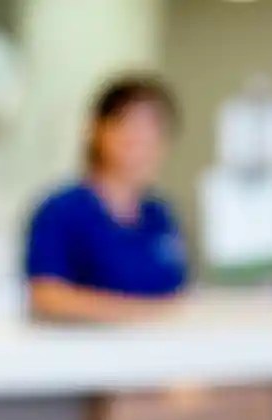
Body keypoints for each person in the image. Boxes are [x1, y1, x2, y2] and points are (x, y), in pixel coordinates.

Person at [25, 76, 188, 322]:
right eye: (131, 125)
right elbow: (47, 296)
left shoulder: (159, 215)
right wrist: (141, 314)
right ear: (99, 130)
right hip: (87, 344)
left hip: (159, 343)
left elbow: (177, 293)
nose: (143, 140)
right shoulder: (62, 212)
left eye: (155, 128)